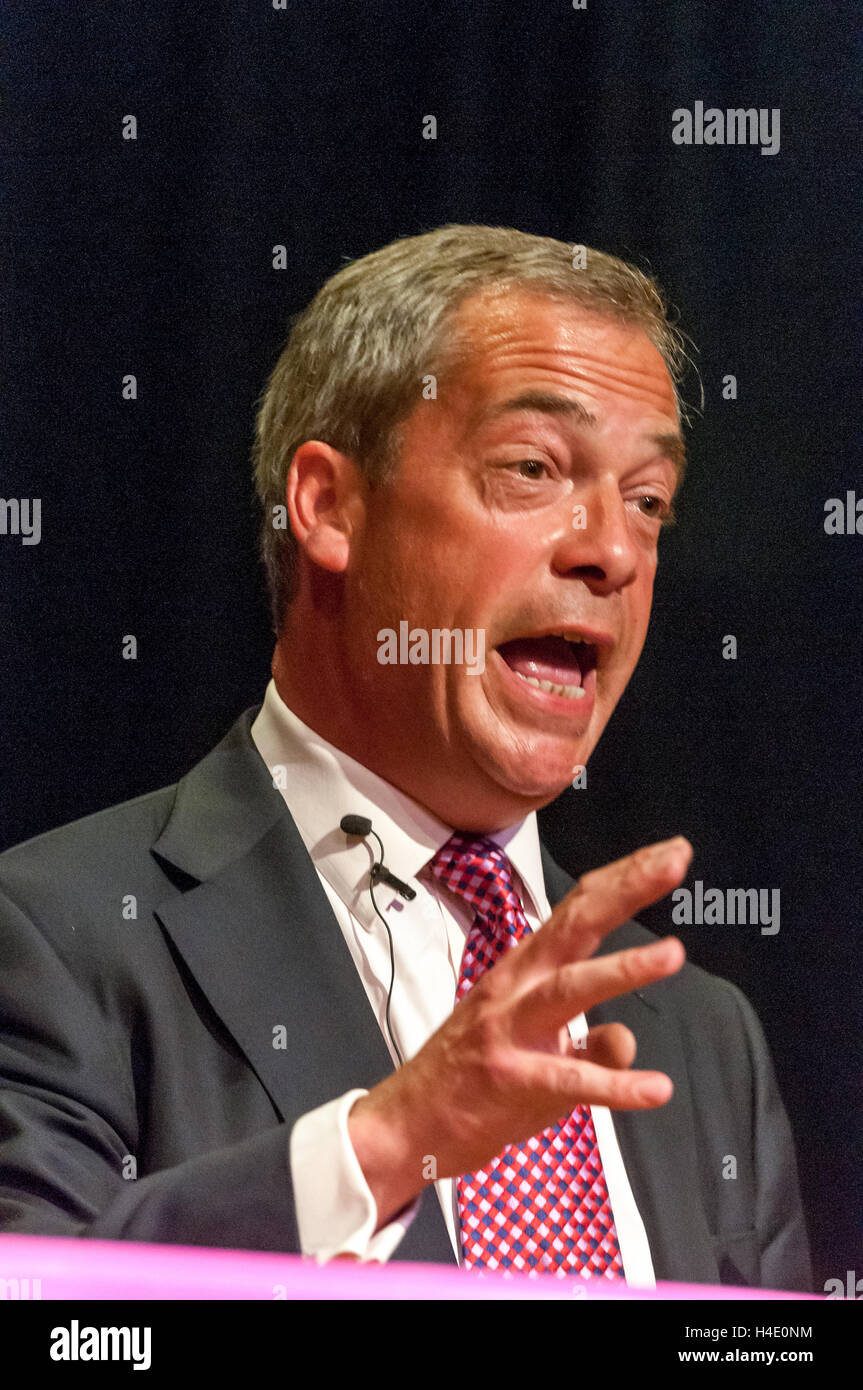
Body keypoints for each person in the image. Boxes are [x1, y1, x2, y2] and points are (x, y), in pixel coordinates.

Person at [0, 225, 811, 1290]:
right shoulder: (55, 936)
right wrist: (383, 1146)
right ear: (329, 505)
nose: (610, 548)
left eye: (647, 500)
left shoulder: (699, 1039)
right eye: (532, 468)